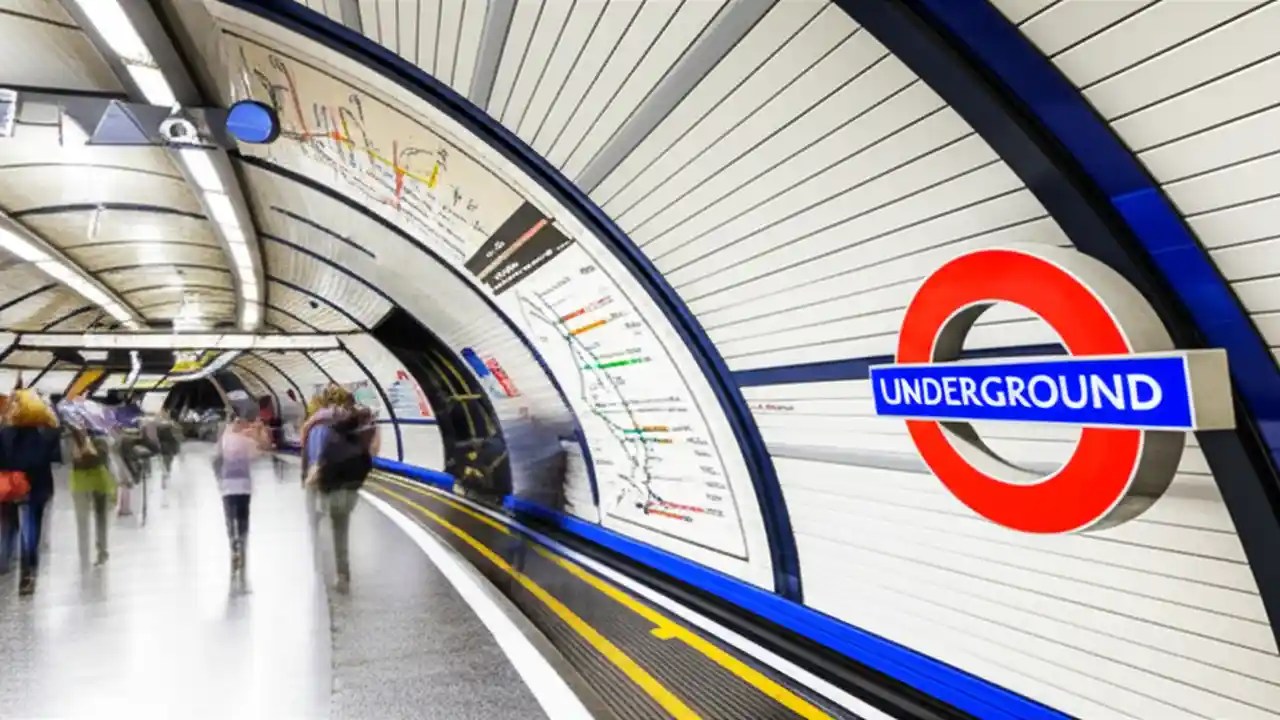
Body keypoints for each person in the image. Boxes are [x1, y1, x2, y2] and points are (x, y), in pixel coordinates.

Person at [0, 390, 62, 595]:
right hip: (38, 488)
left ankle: (4, 561)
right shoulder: (46, 434)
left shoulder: (4, 433)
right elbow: (55, 456)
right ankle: (28, 573)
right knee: (31, 529)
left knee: (9, 526)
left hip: (10, 487)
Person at [310, 405, 378, 592]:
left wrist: (323, 487)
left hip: (333, 492)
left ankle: (340, 573)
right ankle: (343, 572)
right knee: (342, 531)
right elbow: (367, 465)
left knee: (336, 530)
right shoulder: (359, 443)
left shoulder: (332, 439)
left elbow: (325, 464)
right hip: (349, 494)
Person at [215, 409, 269, 586]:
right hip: (244, 486)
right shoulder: (246, 442)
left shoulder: (224, 440)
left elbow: (216, 459)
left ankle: (234, 546)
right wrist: (259, 431)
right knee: (243, 516)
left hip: (227, 487)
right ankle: (242, 544)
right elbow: (262, 450)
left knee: (230, 517)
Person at [68, 425, 116, 568]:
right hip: (80, 482)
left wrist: (87, 450)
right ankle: (84, 553)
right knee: (82, 519)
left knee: (100, 517)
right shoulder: (71, 440)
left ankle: (102, 550)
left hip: (98, 481)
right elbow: (67, 459)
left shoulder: (100, 438)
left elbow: (101, 457)